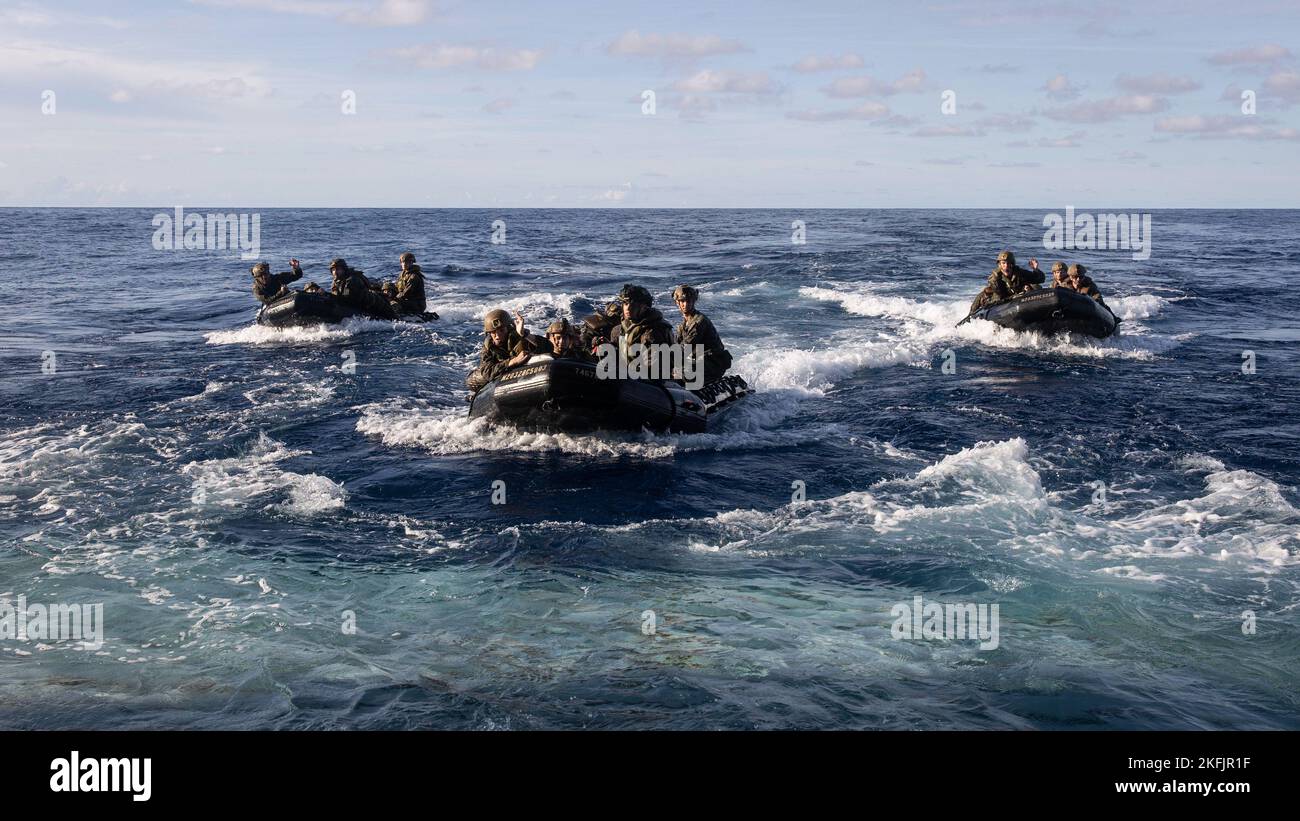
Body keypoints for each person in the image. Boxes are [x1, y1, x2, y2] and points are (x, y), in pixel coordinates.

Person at [466, 309, 545, 392]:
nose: (497, 336)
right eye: (493, 332)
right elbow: (487, 372)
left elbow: (548, 347)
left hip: (523, 373)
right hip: (501, 371)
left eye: (501, 331)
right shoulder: (489, 346)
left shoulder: (519, 337)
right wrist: (512, 362)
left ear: (508, 329)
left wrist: (524, 334)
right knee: (472, 380)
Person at [671, 284, 732, 384]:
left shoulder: (699, 322)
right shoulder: (683, 325)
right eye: (682, 301)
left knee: (680, 372)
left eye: (688, 301)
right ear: (677, 303)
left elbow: (684, 348)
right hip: (702, 361)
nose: (685, 304)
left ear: (693, 302)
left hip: (714, 362)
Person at [615, 284, 673, 372]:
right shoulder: (625, 326)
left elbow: (652, 368)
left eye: (633, 304)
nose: (628, 308)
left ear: (644, 307)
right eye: (625, 303)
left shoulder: (653, 331)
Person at [968, 250, 1045, 314]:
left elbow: (1040, 279)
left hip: (1019, 300)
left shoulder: (1019, 273)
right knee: (982, 295)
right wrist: (1015, 296)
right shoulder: (995, 278)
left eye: (1008, 263)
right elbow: (1000, 297)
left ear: (1012, 264)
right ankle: (970, 315)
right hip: (999, 301)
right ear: (1000, 265)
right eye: (1003, 263)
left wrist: (1035, 269)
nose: (1006, 266)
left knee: (1036, 287)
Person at [329, 258, 397, 319]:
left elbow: (346, 299)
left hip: (377, 306)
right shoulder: (336, 281)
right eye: (333, 270)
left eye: (338, 269)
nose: (335, 272)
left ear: (344, 269)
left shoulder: (351, 281)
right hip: (363, 304)